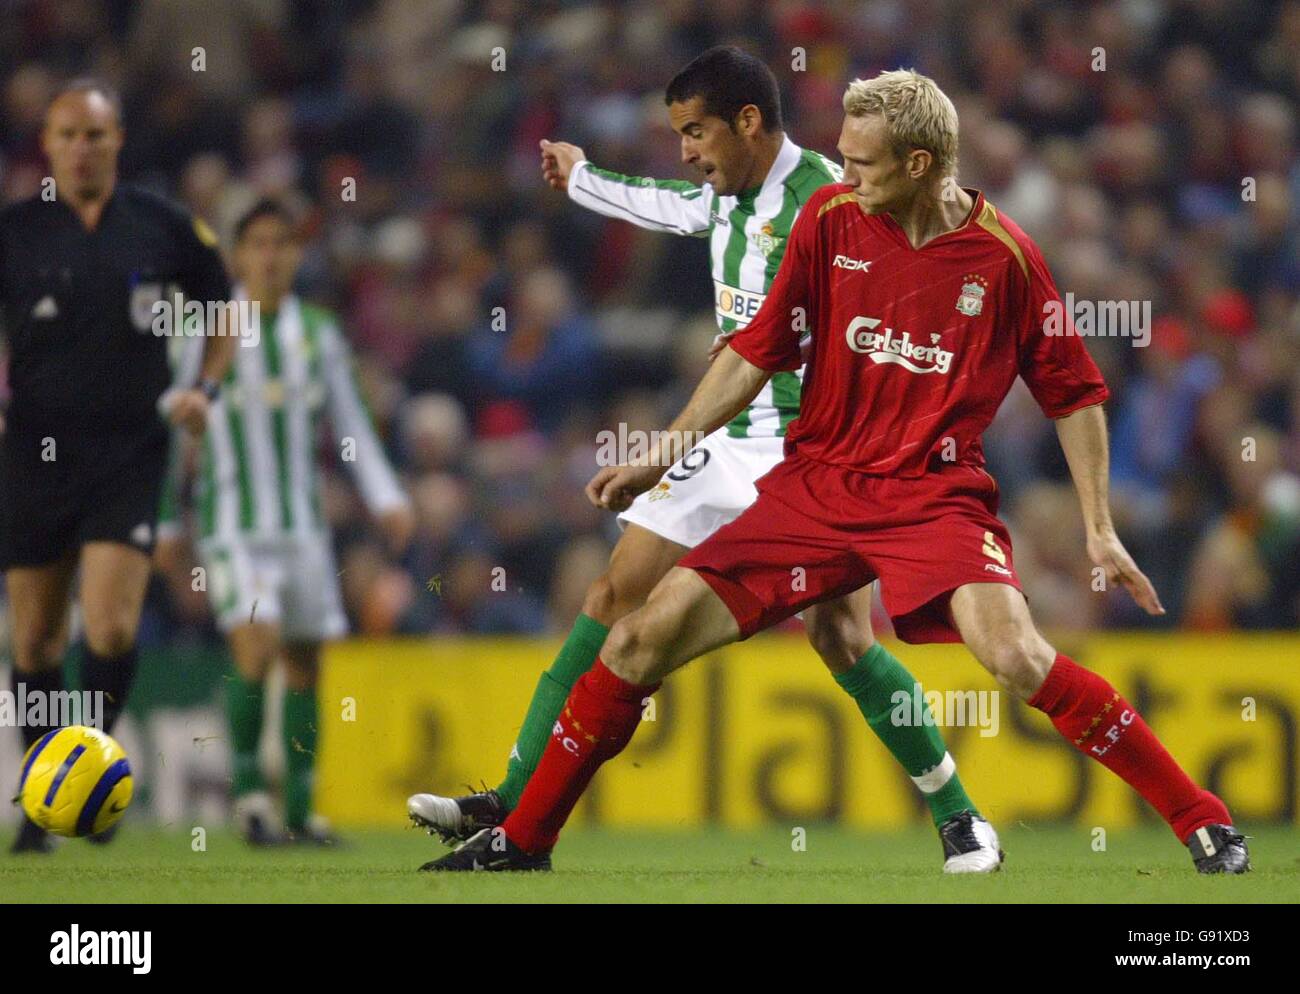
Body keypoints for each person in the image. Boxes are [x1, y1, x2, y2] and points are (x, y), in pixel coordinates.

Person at [427, 69, 1249, 875]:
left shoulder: (1003, 258)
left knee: (1014, 655)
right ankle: (522, 838)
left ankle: (1201, 819)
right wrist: (666, 447)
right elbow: (756, 352)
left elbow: (1074, 393)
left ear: (919, 165)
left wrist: (1098, 525)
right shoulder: (831, 219)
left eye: (861, 162)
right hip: (816, 484)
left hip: (934, 497)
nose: (843, 173)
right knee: (638, 633)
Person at [410, 47, 1001, 874]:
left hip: (809, 452)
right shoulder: (725, 196)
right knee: (612, 591)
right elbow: (666, 204)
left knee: (838, 637)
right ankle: (511, 801)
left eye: (696, 133)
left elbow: (906, 298)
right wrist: (581, 177)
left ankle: (960, 816)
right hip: (722, 440)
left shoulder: (836, 200)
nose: (687, 150)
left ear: (749, 124)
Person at [0, 80, 234, 854]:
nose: (81, 147)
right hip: (33, 452)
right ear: (49, 143)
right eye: (67, 134)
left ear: (118, 139)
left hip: (130, 448)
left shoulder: (162, 227)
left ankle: (85, 775)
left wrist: (202, 386)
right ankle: (42, 796)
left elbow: (225, 308)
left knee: (109, 623)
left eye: (95, 134)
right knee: (33, 642)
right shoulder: (19, 230)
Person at [156, 199, 414, 844]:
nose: (271, 256)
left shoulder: (319, 331)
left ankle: (300, 811)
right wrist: (164, 521)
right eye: (259, 244)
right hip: (233, 527)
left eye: (283, 244)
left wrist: (386, 495)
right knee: (257, 644)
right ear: (239, 256)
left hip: (303, 529)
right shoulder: (208, 327)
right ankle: (249, 801)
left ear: (297, 255)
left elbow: (351, 420)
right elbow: (167, 423)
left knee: (305, 664)